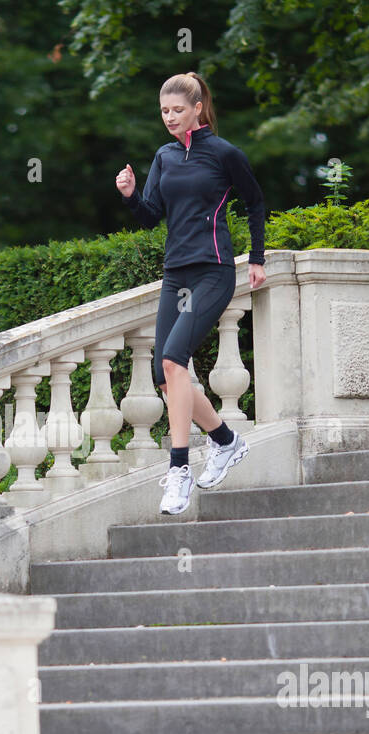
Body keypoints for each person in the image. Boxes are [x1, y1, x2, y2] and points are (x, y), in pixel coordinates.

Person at [115, 72, 267, 515]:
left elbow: (255, 202)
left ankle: (179, 469)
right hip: (176, 274)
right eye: (163, 111)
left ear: (197, 108)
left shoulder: (224, 154)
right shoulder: (163, 157)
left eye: (177, 110)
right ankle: (226, 441)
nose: (169, 117)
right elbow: (150, 215)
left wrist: (256, 258)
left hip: (214, 272)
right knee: (166, 378)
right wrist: (128, 196)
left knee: (171, 359)